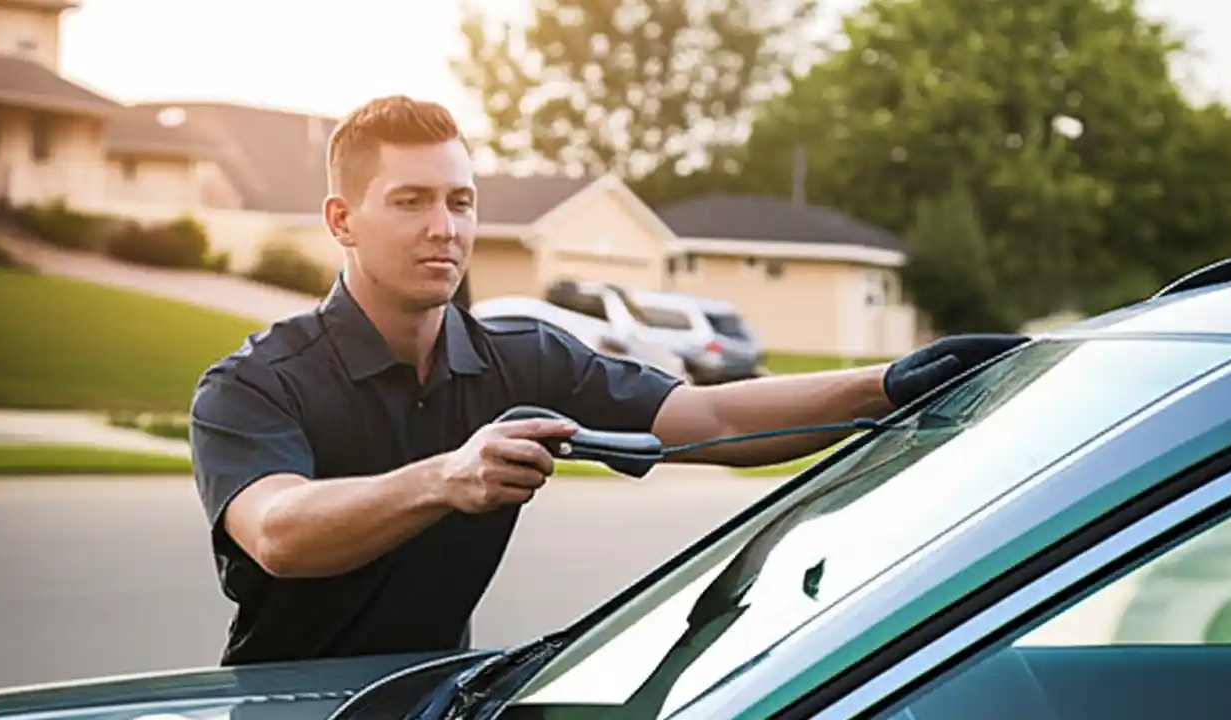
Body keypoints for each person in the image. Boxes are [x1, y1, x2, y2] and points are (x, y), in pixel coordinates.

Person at [188, 94, 1026, 667]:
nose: (445, 228)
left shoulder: (522, 357)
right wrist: (450, 477)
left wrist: (890, 383)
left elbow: (702, 416)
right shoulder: (254, 385)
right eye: (410, 201)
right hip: (281, 703)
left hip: (435, 697)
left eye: (462, 200)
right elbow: (282, 533)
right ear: (342, 220)